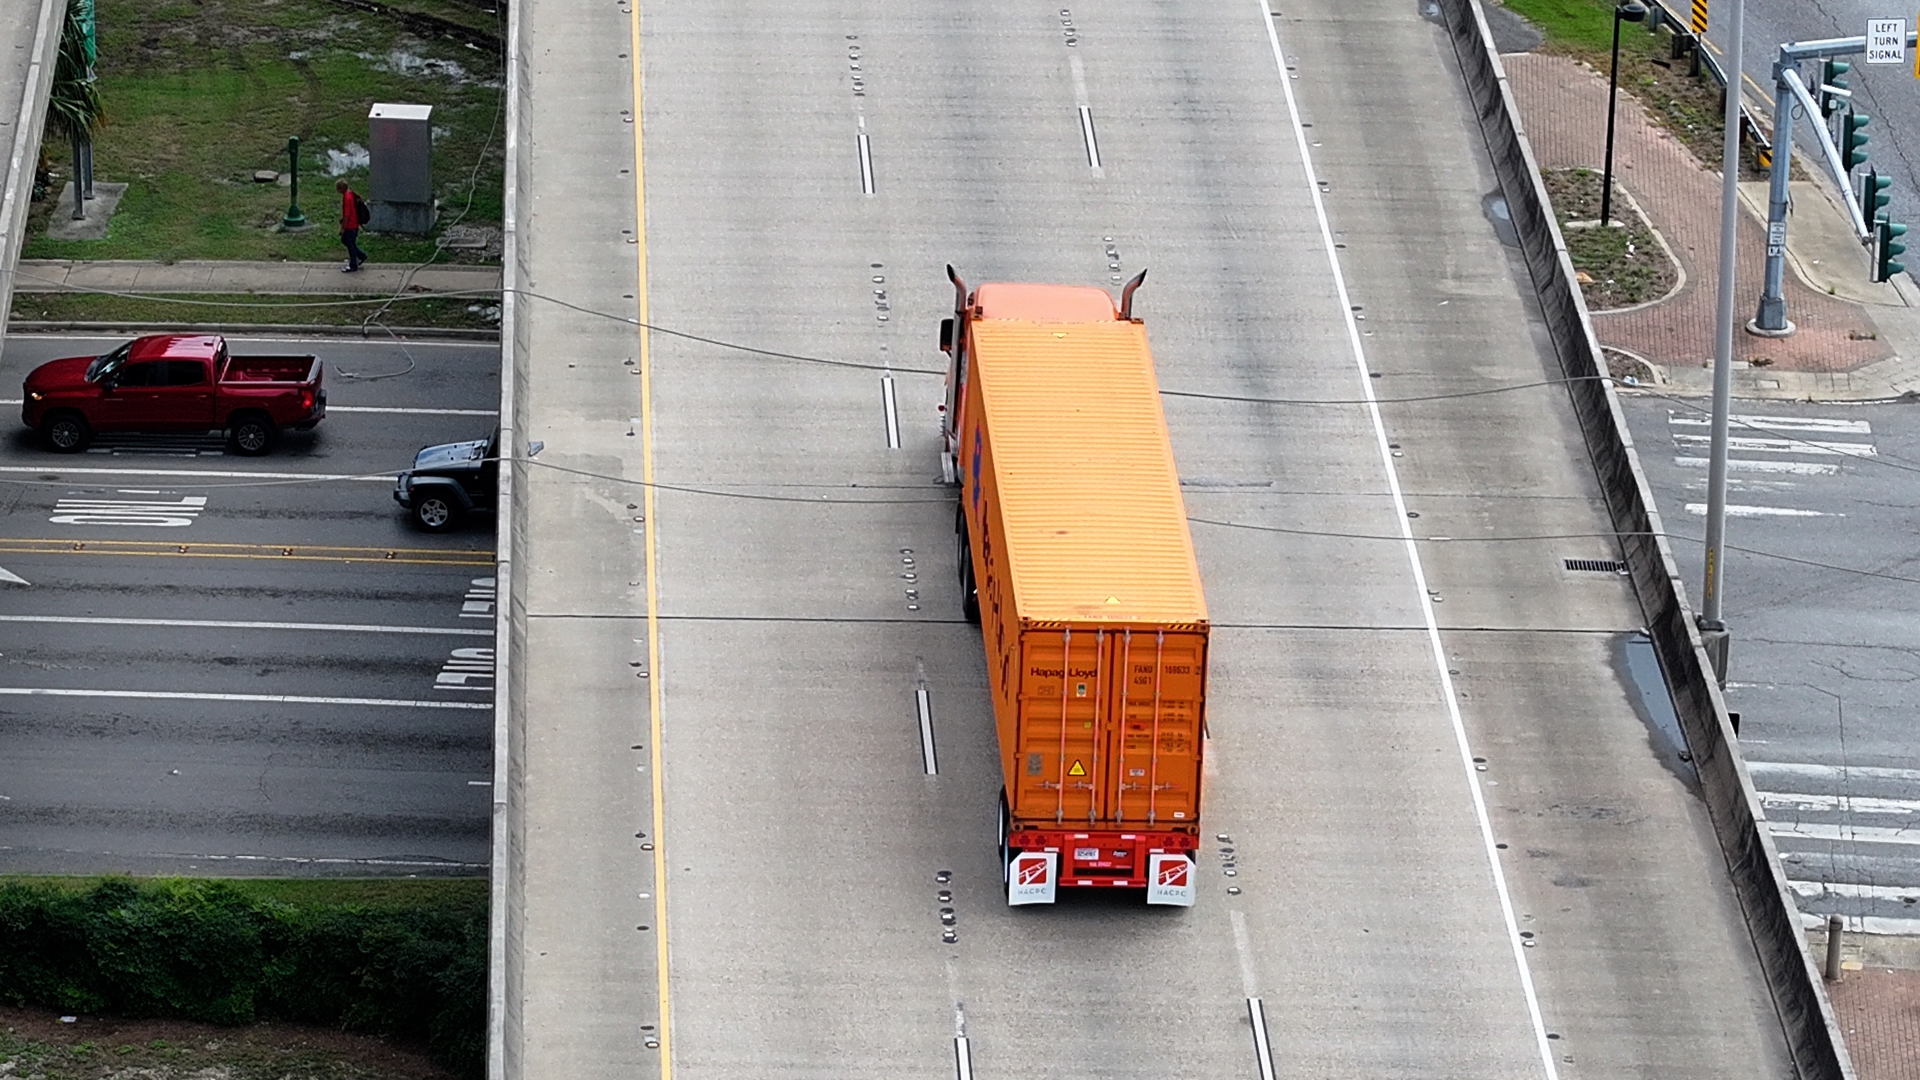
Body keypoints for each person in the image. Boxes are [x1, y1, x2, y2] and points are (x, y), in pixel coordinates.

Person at [337, 178, 367, 272]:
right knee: (348, 241)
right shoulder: (350, 193)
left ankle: (353, 264)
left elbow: (347, 214)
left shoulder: (347, 197)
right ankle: (361, 255)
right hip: (354, 224)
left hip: (351, 225)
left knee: (349, 244)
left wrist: (343, 228)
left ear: (341, 189)